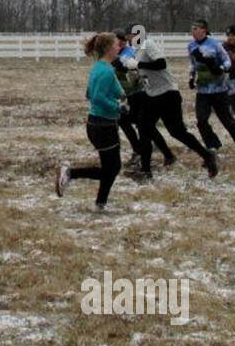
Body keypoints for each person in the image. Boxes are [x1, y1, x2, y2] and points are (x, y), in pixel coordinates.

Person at [120, 32, 218, 179]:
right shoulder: (137, 50)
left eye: (129, 36)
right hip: (152, 94)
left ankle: (207, 155)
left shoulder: (148, 44)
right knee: (144, 128)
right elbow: (140, 72)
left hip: (168, 94)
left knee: (177, 131)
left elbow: (161, 63)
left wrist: (138, 65)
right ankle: (145, 171)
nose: (127, 40)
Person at [56, 33, 127, 210]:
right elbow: (96, 97)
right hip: (103, 126)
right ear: (109, 48)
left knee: (112, 167)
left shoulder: (99, 67)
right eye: (117, 45)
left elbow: (90, 92)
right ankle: (71, 174)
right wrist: (118, 107)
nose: (120, 48)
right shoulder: (105, 71)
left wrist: (123, 94)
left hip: (99, 124)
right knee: (112, 168)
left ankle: (100, 204)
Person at [188, 18, 235, 164]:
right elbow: (192, 63)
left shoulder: (215, 45)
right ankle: (212, 147)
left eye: (196, 29)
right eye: (192, 29)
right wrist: (191, 77)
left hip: (219, 90)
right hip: (203, 91)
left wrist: (221, 69)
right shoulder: (191, 46)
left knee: (229, 122)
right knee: (201, 120)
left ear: (204, 30)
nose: (193, 31)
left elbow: (227, 61)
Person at [112, 28, 174, 171]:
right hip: (127, 96)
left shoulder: (131, 52)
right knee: (128, 122)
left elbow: (135, 71)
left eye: (119, 40)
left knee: (144, 126)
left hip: (140, 93)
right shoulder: (113, 54)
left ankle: (159, 154)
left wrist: (122, 67)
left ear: (123, 41)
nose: (117, 43)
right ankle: (142, 151)